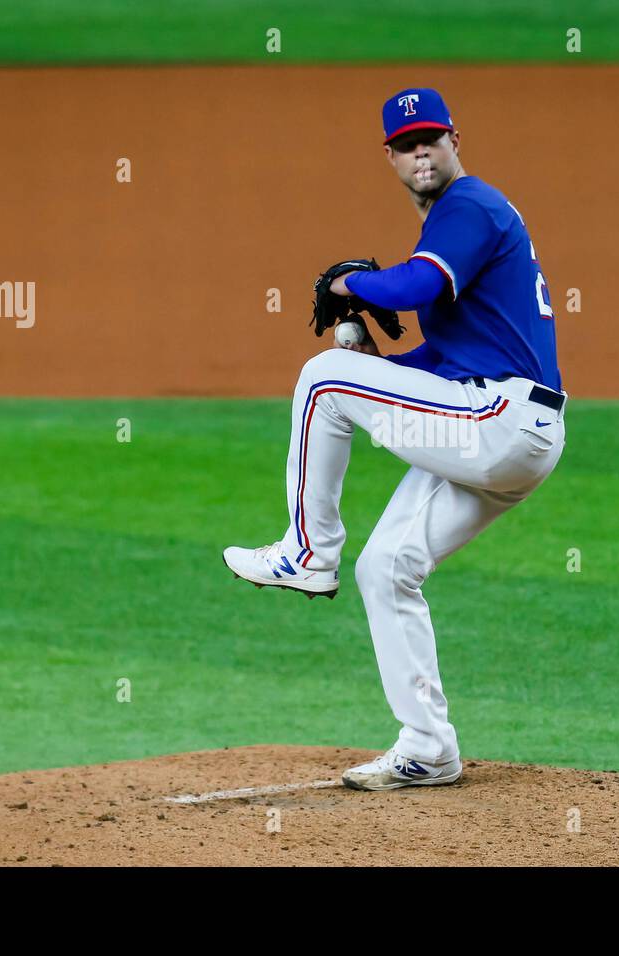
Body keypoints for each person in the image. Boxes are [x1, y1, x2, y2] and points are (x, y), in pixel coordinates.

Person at [223, 87, 567, 791]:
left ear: (454, 141)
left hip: (499, 422)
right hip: (501, 432)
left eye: (431, 139)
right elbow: (436, 365)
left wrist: (355, 284)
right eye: (407, 143)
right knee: (386, 567)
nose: (421, 152)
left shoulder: (469, 207)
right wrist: (368, 357)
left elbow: (412, 287)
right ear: (390, 155)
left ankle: (306, 552)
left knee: (323, 379)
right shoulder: (455, 226)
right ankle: (428, 747)